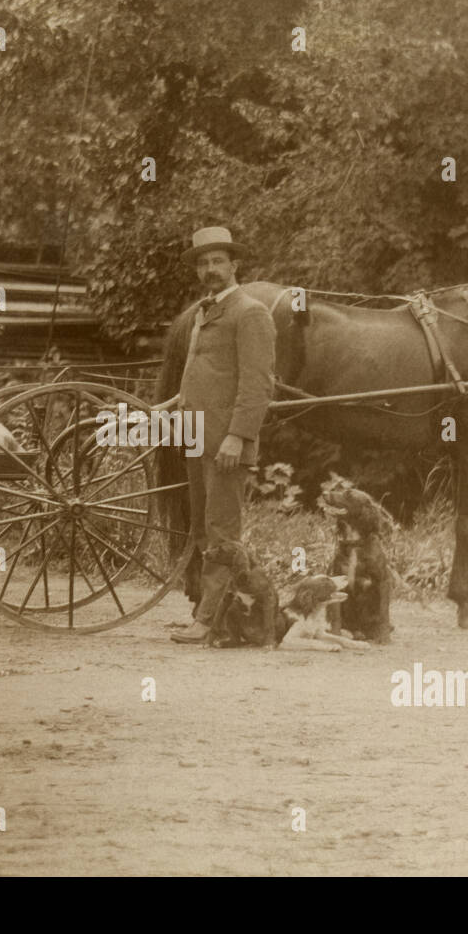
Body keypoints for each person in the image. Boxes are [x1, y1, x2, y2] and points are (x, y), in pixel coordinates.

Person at [168, 227, 276, 645]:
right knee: (202, 527)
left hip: (227, 442)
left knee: (222, 532)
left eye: (218, 261)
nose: (210, 269)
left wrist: (237, 436)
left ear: (234, 265)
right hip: (195, 436)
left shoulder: (250, 313)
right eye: (203, 262)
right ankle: (210, 610)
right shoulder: (203, 312)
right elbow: (200, 377)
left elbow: (257, 384)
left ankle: (210, 619)